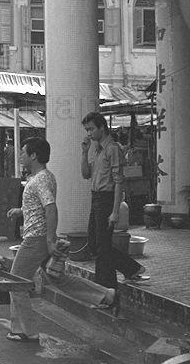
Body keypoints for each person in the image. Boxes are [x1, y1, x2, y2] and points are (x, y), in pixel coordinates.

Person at [6, 137, 120, 342]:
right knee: (59, 278)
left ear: (33, 155)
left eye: (23, 152)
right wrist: (21, 211)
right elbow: (40, 207)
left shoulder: (40, 179)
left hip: (36, 238)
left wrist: (50, 240)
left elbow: (50, 208)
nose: (21, 156)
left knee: (16, 281)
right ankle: (106, 295)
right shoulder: (45, 176)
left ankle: (25, 330)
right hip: (39, 237)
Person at [81, 112, 148, 287]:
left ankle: (106, 288)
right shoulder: (96, 149)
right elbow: (85, 174)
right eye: (87, 130)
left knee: (102, 248)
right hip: (96, 197)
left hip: (107, 198)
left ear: (102, 127)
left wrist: (115, 211)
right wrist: (84, 152)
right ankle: (131, 269)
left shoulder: (112, 149)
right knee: (95, 245)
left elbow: (119, 181)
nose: (89, 133)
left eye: (91, 129)